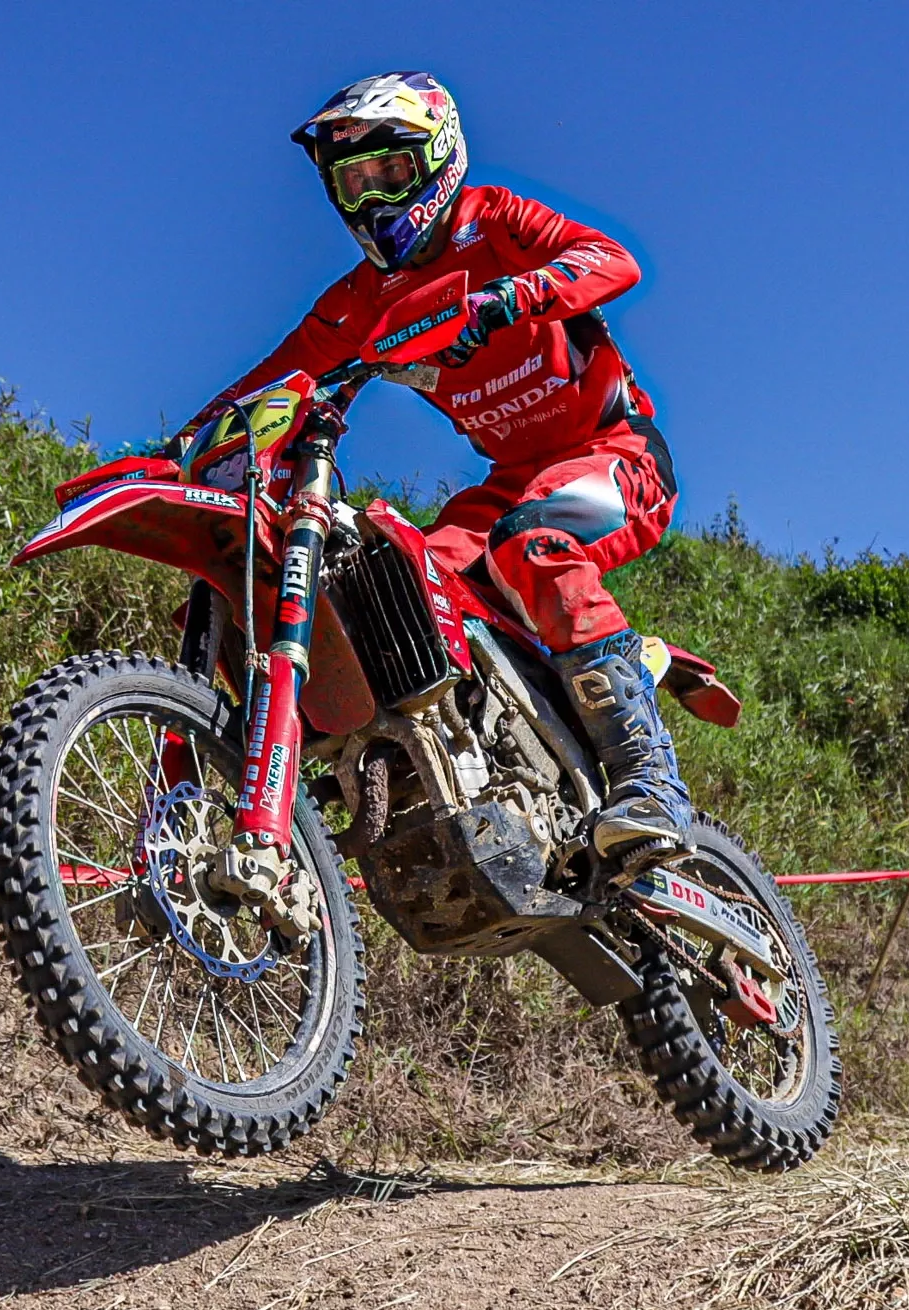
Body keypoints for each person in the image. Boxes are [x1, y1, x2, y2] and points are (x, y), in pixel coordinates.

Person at [190, 71, 693, 867]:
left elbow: (614, 260)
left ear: (436, 158)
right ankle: (492, 765)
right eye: (351, 183)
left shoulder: (494, 219)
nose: (372, 198)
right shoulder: (358, 300)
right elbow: (274, 377)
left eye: (387, 172)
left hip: (615, 452)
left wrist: (513, 297)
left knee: (532, 543)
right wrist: (180, 446)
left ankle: (652, 781)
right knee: (409, 579)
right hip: (509, 481)